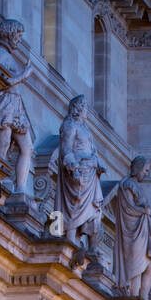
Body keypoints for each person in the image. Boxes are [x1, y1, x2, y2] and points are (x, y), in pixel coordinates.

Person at [50, 95, 105, 248]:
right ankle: (69, 238)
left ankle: (83, 243)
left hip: (91, 173)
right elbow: (66, 149)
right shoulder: (70, 125)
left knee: (95, 211)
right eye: (85, 108)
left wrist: (98, 163)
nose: (86, 111)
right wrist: (73, 168)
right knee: (74, 205)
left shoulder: (85, 128)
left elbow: (92, 150)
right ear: (79, 108)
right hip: (79, 171)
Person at [0, 20, 33, 194]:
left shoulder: (6, 54)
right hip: (5, 102)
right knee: (4, 142)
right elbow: (1, 82)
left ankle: (20, 187)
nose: (20, 41)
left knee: (27, 147)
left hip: (15, 104)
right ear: (10, 34)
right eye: (19, 36)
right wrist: (24, 75)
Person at [108, 156, 151, 300]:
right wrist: (143, 211)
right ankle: (134, 299)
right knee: (136, 268)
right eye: (146, 170)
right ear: (139, 168)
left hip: (142, 232)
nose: (147, 174)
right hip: (132, 232)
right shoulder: (128, 185)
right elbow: (128, 208)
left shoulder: (136, 186)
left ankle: (143, 299)